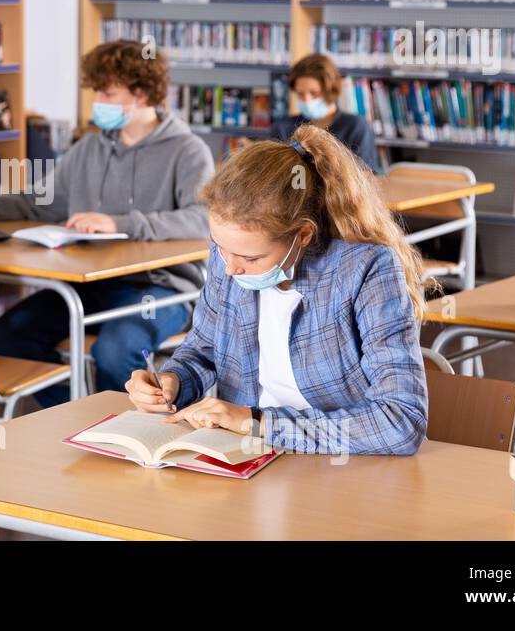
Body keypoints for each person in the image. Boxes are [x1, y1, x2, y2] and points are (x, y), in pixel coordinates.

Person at [0, 40, 215, 405]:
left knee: (114, 352)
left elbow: (203, 219)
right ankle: (80, 418)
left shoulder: (187, 151)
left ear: (141, 94)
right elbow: (35, 202)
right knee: (9, 335)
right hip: (87, 285)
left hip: (160, 288)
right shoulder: (89, 149)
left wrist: (120, 223)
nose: (98, 102)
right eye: (97, 92)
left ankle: (131, 439)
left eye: (108, 93)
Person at [126, 124, 429, 456]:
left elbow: (401, 422)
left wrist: (257, 423)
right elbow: (203, 349)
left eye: (250, 257)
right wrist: (173, 381)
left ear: (302, 235)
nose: (230, 268)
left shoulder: (366, 268)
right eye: (220, 248)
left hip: (344, 466)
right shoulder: (230, 253)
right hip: (245, 458)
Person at [270, 53, 379, 171]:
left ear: (331, 90)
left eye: (314, 93)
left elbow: (366, 179)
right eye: (300, 94)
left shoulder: (356, 127)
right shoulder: (283, 128)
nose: (307, 100)